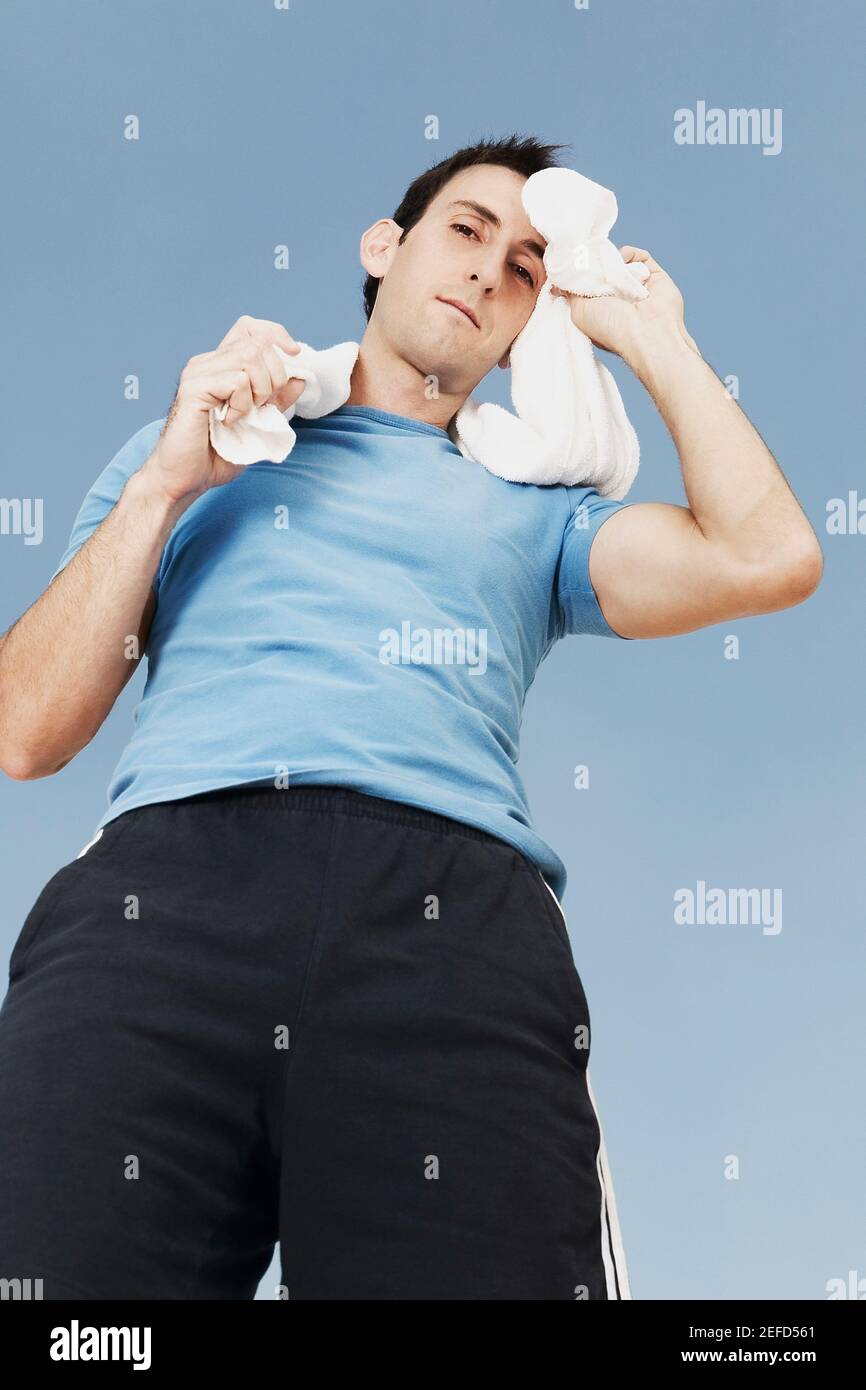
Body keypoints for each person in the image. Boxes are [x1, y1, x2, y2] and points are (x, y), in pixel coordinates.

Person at [0, 134, 822, 1301]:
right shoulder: (201, 455)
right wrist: (165, 482)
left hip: (450, 930)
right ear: (385, 248)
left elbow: (770, 553)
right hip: (162, 901)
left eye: (529, 267)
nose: (491, 270)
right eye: (467, 229)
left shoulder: (535, 513)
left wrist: (647, 332)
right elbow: (26, 730)